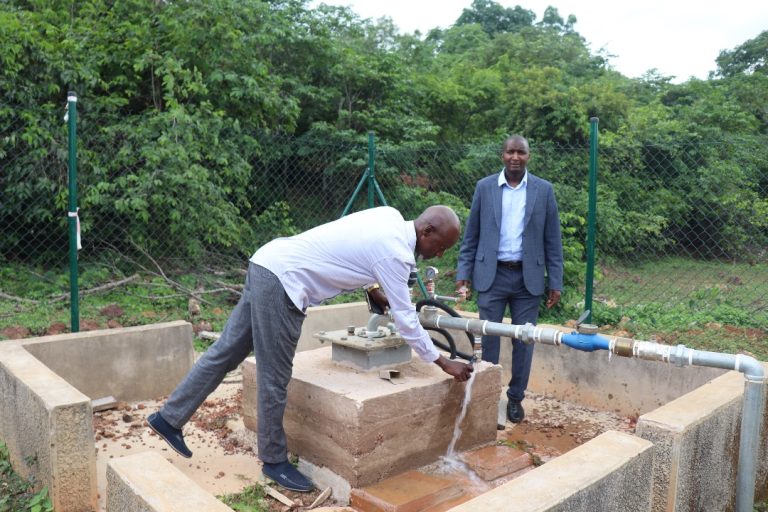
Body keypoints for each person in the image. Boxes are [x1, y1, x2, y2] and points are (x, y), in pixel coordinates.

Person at [147, 205, 473, 493]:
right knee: (275, 377)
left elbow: (351, 245)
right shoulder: (397, 255)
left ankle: (169, 418)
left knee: (226, 351)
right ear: (426, 231)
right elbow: (406, 320)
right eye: (440, 246)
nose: (440, 254)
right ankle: (274, 461)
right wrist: (444, 362)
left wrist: (372, 287)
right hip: (285, 285)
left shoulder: (388, 216)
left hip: (267, 262)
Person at [455, 135, 563, 425]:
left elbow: (553, 240)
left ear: (528, 156)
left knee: (524, 342)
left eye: (521, 152)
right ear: (502, 156)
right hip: (491, 275)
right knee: (488, 339)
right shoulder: (485, 188)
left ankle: (516, 398)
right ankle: (490, 397)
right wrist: (463, 273)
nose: (515, 157)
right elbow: (471, 235)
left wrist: (556, 281)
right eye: (510, 152)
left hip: (528, 280)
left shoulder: (544, 191)